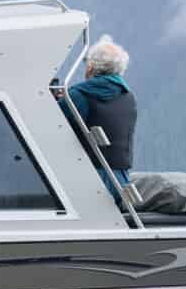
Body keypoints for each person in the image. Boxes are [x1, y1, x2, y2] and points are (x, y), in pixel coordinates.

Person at [57, 34, 136, 197]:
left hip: (89, 177)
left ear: (91, 67)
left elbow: (52, 123)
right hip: (121, 180)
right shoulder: (129, 97)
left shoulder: (78, 96)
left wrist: (58, 101)